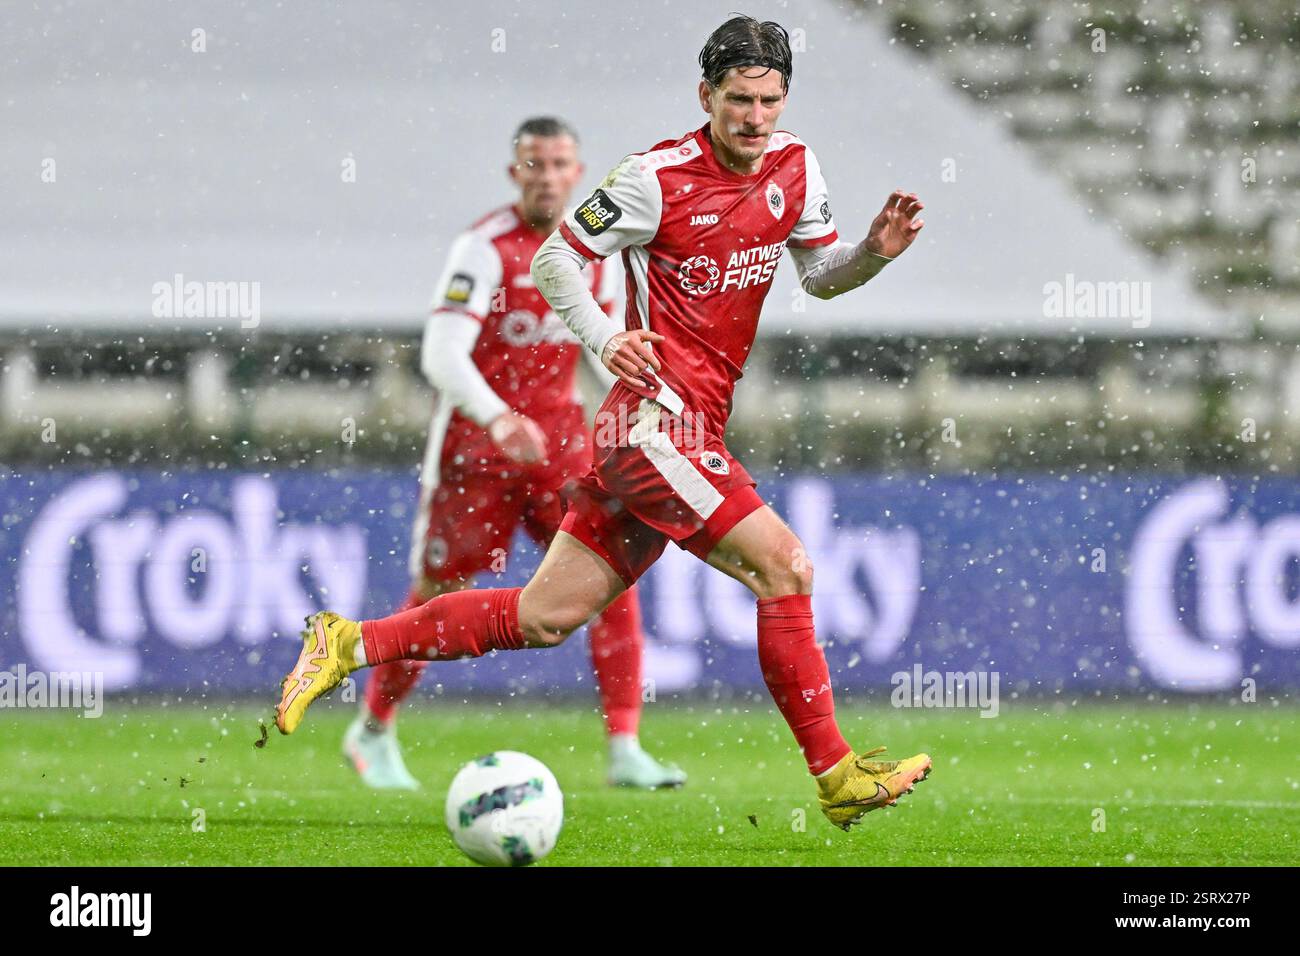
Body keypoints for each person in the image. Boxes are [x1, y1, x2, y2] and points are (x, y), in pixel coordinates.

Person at [277, 14, 930, 830]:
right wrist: (607, 336)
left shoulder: (796, 167)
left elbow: (823, 278)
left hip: (685, 429)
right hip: (655, 426)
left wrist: (873, 250)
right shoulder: (653, 178)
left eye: (769, 100)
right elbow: (557, 257)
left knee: (544, 617)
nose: (754, 118)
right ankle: (836, 774)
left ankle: (348, 643)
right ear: (707, 94)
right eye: (738, 99)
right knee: (787, 566)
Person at [343, 116, 684, 790]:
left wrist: (639, 420)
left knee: (610, 579)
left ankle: (624, 746)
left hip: (560, 446)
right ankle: (374, 728)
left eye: (561, 164)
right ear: (515, 173)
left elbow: (605, 348)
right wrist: (498, 417)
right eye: (536, 164)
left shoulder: (595, 253)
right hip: (478, 452)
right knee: (440, 592)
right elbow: (440, 354)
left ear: (579, 173)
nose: (549, 177)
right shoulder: (484, 248)